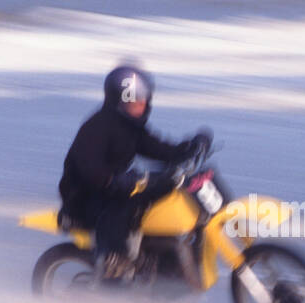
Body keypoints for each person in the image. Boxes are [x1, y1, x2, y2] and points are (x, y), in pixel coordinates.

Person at [57, 65, 209, 280]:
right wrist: (112, 180)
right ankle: (113, 262)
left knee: (166, 190)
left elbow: (158, 148)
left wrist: (188, 148)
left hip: (114, 186)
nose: (141, 103)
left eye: (143, 98)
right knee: (123, 206)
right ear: (118, 101)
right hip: (83, 195)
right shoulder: (97, 127)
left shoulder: (130, 128)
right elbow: (88, 166)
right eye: (134, 99)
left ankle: (163, 262)